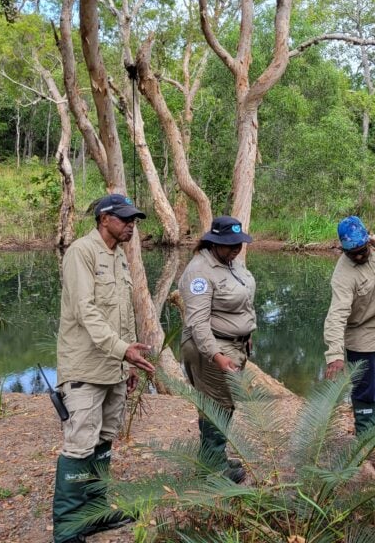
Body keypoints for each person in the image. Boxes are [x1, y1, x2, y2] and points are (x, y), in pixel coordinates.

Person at [52, 193, 157, 543]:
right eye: (125, 219)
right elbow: (86, 312)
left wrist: (126, 364)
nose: (131, 225)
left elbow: (123, 316)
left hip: (114, 367)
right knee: (79, 444)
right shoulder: (81, 252)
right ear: (104, 219)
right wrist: (122, 350)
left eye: (134, 220)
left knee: (103, 440)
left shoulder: (119, 258)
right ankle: (67, 530)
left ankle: (95, 513)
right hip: (84, 368)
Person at [179, 215, 256, 483]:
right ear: (214, 242)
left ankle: (214, 458)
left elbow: (244, 300)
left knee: (225, 405)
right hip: (210, 347)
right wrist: (217, 356)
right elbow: (198, 323)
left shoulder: (232, 263)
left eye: (239, 242)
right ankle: (211, 470)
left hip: (233, 344)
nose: (236, 247)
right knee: (217, 405)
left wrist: (247, 333)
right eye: (229, 243)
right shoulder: (199, 271)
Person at [323, 215, 375, 435]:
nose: (359, 256)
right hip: (362, 339)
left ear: (369, 239)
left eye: (363, 250)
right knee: (365, 390)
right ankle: (366, 441)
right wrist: (334, 354)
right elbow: (336, 315)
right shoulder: (343, 276)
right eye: (353, 254)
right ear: (344, 250)